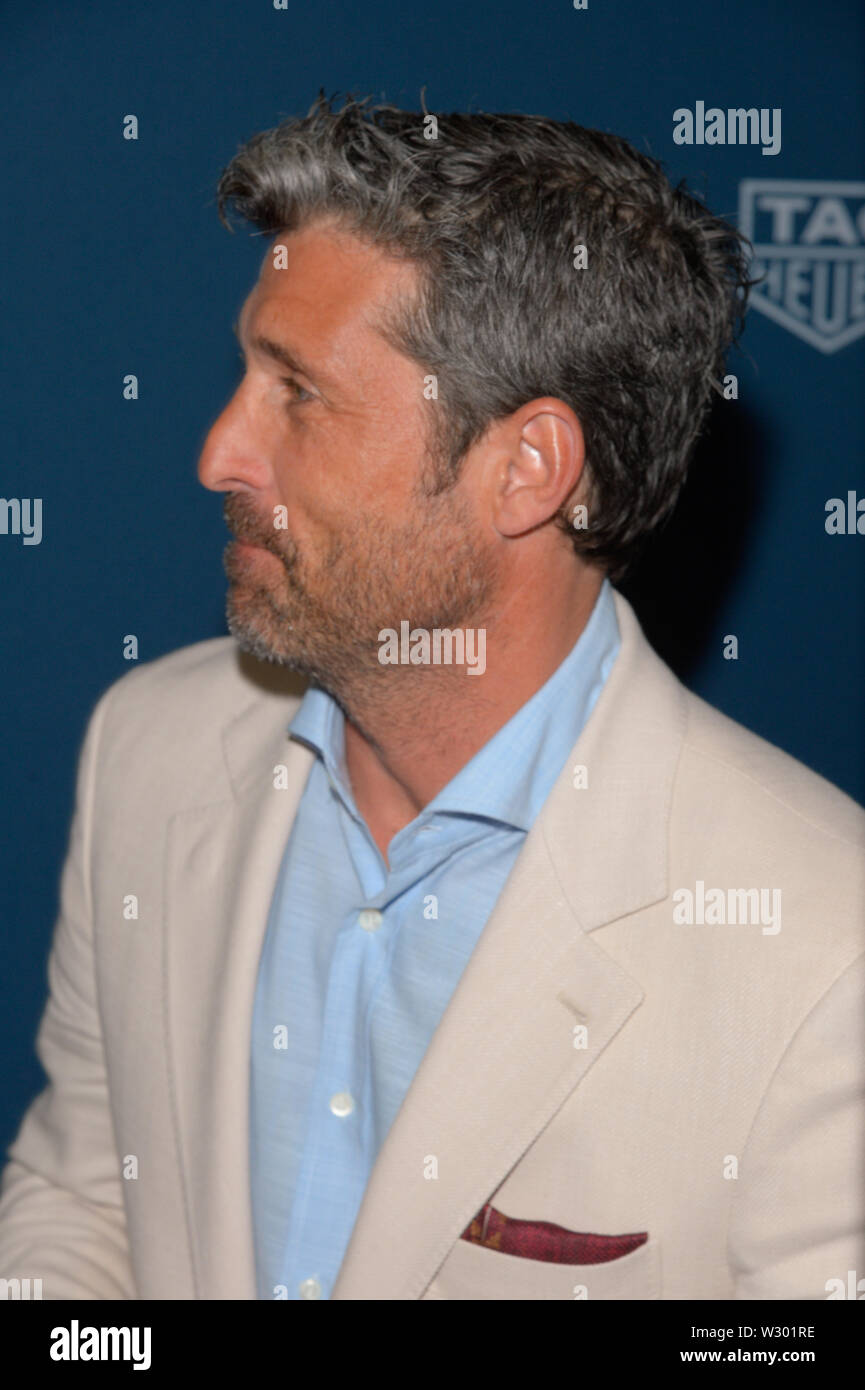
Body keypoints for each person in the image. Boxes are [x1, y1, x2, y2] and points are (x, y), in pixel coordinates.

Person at [1, 94, 862, 1302]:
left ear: (525, 471)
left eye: (297, 392)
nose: (218, 452)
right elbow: (89, 1191)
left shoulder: (825, 948)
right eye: (246, 372)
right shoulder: (149, 749)